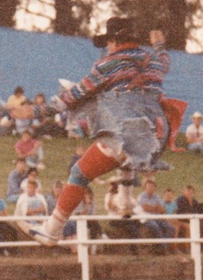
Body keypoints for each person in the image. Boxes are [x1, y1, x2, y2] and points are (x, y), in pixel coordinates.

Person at [17, 19, 172, 247]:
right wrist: (159, 45)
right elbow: (166, 61)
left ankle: (52, 230)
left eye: (108, 43)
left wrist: (36, 110)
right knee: (122, 148)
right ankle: (125, 200)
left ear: (113, 41)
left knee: (80, 173)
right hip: (158, 135)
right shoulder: (154, 61)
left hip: (126, 134)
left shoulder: (107, 64)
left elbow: (73, 97)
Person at [137, 179, 174, 254]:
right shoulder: (141, 196)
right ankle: (162, 249)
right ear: (145, 188)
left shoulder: (156, 196)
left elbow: (163, 209)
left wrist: (153, 208)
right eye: (149, 186)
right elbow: (145, 208)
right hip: (146, 218)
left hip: (157, 217)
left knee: (170, 228)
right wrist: (155, 207)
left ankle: (160, 248)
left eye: (152, 187)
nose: (150, 188)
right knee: (155, 227)